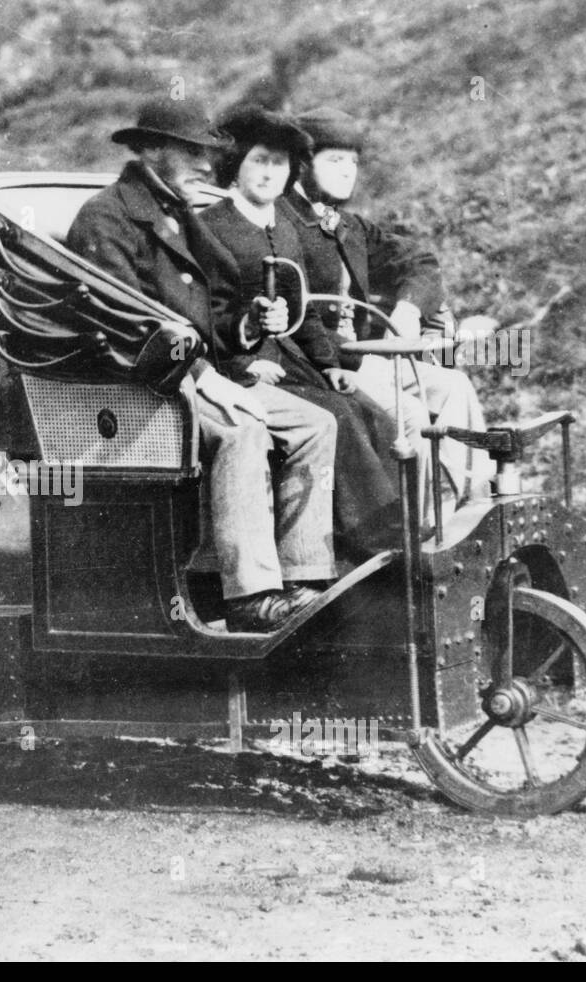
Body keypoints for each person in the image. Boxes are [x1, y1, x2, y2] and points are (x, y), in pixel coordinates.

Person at [66, 99, 338, 632]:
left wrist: (251, 325)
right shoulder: (108, 217)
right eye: (190, 151)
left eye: (208, 154)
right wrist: (205, 377)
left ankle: (304, 573)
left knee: (315, 424)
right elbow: (125, 325)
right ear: (147, 150)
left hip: (193, 376)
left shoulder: (180, 215)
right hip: (138, 386)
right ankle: (253, 595)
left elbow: (216, 315)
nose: (207, 165)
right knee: (241, 427)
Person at [198, 107, 407, 555]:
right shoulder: (211, 229)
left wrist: (329, 365)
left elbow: (305, 311)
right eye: (259, 161)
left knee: (377, 415)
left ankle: (398, 528)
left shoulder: (284, 230)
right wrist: (246, 361)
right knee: (337, 416)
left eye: (280, 164)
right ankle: (371, 542)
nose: (270, 174)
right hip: (241, 370)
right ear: (234, 165)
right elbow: (204, 317)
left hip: (294, 360)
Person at [279, 107, 493, 510]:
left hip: (366, 359)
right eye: (335, 160)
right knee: (408, 412)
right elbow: (290, 319)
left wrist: (409, 309)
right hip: (318, 365)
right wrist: (352, 354)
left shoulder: (348, 226)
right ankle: (425, 525)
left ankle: (473, 501)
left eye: (354, 162)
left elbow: (419, 261)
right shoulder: (279, 223)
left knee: (453, 387)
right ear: (302, 164)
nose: (348, 172)